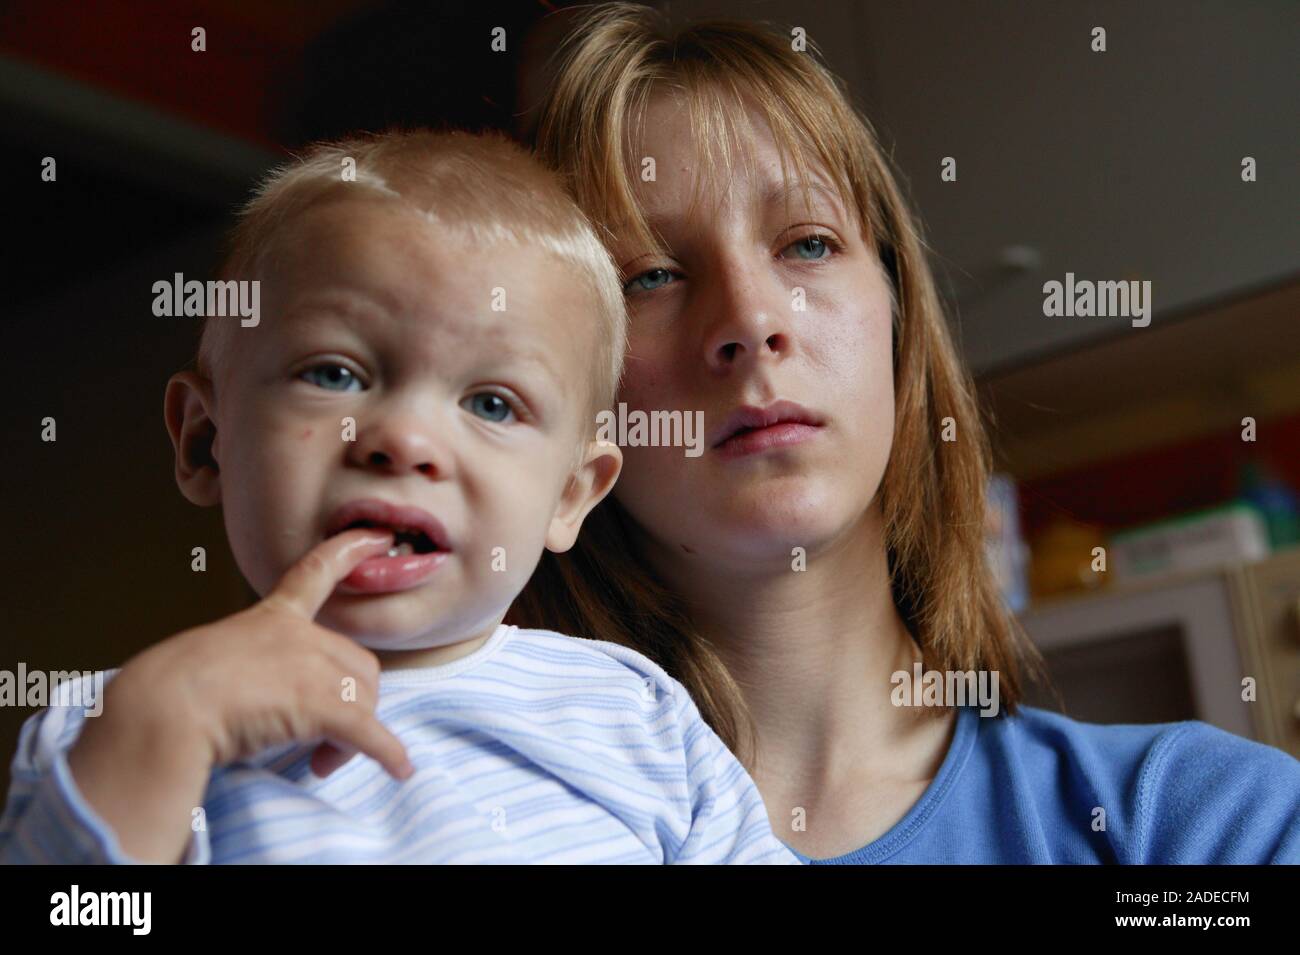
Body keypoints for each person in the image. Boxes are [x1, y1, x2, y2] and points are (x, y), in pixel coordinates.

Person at [510, 2, 1300, 863]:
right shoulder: (476, 833)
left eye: (808, 244)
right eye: (651, 274)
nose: (750, 317)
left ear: (898, 315)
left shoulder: (1206, 827)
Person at [0, 128, 799, 865]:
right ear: (206, 440)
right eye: (335, 374)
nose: (405, 440)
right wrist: (153, 735)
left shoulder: (637, 716)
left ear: (569, 495)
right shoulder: (109, 726)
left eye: (492, 403)